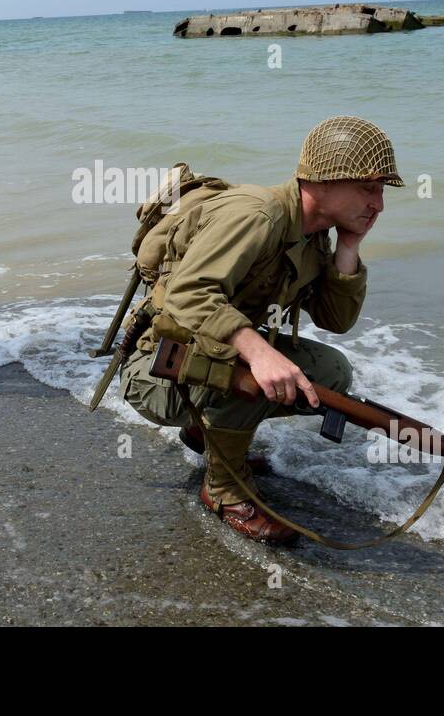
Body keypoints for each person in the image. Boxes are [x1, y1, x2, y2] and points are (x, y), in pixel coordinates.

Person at [119, 117, 403, 542]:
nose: (378, 204)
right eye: (368, 187)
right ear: (323, 182)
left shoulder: (314, 235)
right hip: (157, 372)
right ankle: (224, 489)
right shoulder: (257, 216)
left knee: (330, 372)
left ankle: (209, 433)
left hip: (208, 360)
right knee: (260, 366)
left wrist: (349, 246)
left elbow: (336, 320)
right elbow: (187, 295)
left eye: (381, 190)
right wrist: (259, 351)